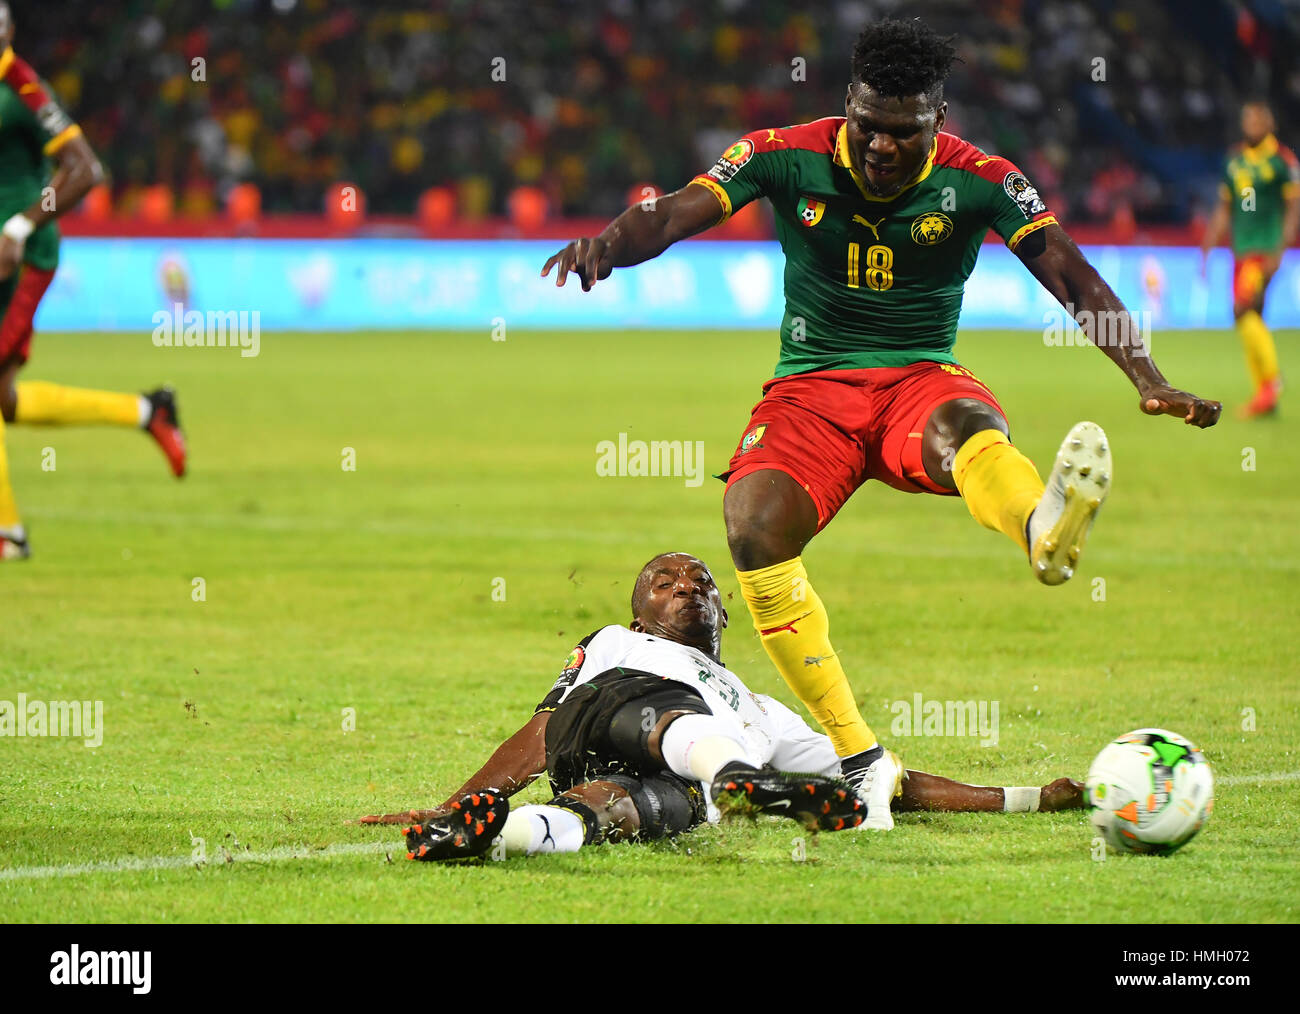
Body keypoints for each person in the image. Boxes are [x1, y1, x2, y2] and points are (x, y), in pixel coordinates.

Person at [541, 18, 1219, 826]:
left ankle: (1043, 529)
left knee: (965, 426)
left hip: (917, 382)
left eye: (905, 133)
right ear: (848, 108)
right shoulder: (780, 153)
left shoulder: (983, 179)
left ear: (937, 121)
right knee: (754, 525)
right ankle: (858, 756)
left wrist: (1148, 376)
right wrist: (607, 245)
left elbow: (1069, 273)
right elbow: (678, 212)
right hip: (810, 393)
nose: (883, 148)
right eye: (869, 128)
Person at [357, 553, 1084, 862]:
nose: (685, 583)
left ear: (722, 614)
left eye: (700, 580)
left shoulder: (763, 709)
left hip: (662, 778)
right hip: (614, 711)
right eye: (662, 579)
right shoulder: (616, 644)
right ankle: (738, 780)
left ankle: (494, 839)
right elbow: (545, 727)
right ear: (638, 613)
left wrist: (1022, 799)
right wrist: (460, 794)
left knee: (616, 811)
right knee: (676, 724)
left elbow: (876, 775)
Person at [0, 2, 186, 561]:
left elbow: (85, 170)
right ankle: (148, 412)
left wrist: (20, 225)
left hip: (22, 258)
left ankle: (8, 534)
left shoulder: (22, 89)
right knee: (4, 400)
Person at [1201, 99, 1299, 418]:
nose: (1251, 124)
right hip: (1241, 250)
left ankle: (1271, 384)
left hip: (1265, 249)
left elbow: (1294, 208)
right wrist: (1208, 244)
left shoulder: (1282, 160)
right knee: (1250, 314)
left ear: (1269, 123)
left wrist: (1280, 250)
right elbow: (1224, 208)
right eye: (1247, 119)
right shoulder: (1235, 161)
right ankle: (1265, 392)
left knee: (1242, 308)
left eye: (1257, 119)